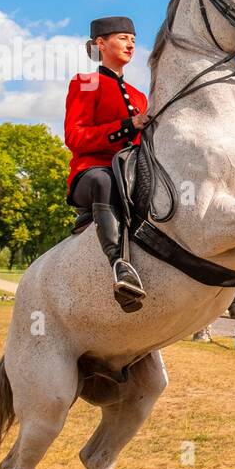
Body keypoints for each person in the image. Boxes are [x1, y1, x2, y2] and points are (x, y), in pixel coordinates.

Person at [65, 16, 149, 311]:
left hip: (131, 174)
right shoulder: (86, 83)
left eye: (134, 40)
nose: (131, 45)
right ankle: (119, 264)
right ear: (100, 43)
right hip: (90, 175)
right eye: (123, 38)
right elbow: (75, 137)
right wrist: (127, 126)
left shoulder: (140, 96)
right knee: (105, 180)